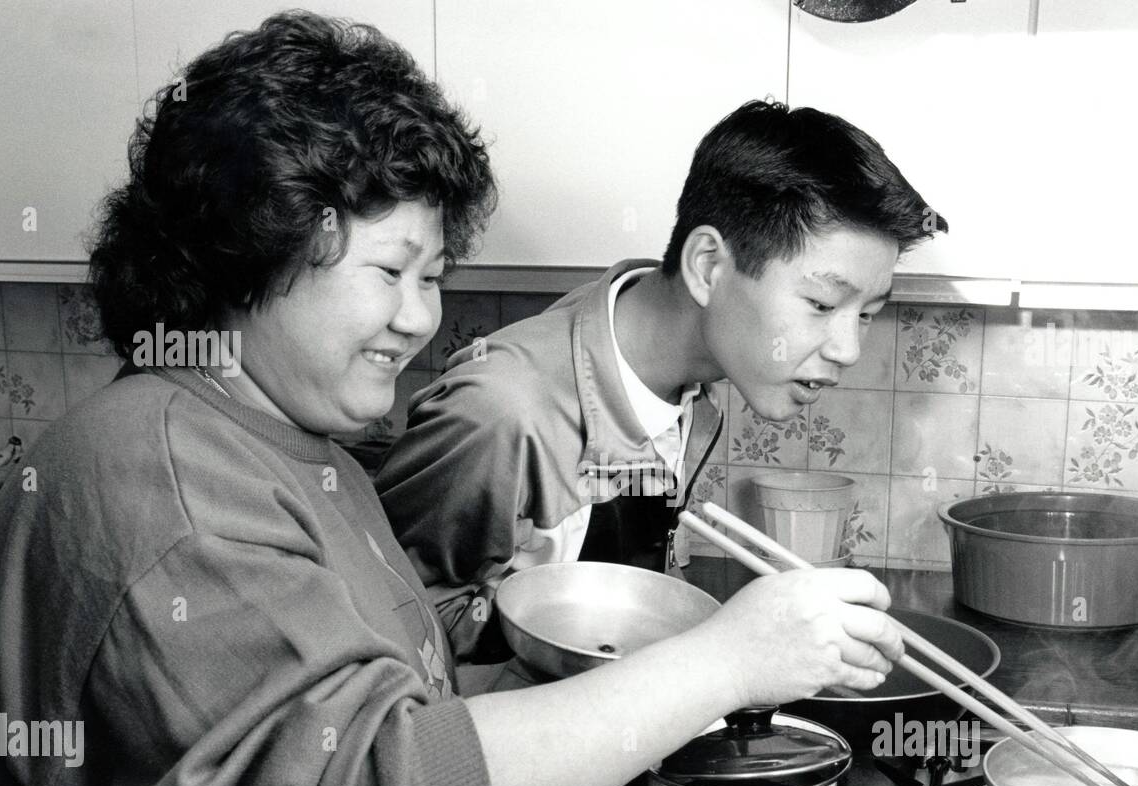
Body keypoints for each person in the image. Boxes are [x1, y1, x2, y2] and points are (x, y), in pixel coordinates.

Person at [0, 11, 901, 786]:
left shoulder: (305, 445)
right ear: (253, 248)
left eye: (436, 274)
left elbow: (400, 695)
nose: (423, 320)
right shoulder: (157, 477)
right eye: (391, 272)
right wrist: (721, 662)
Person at [376, 100, 947, 661]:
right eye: (822, 303)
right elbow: (392, 620)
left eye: (867, 313)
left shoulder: (697, 396)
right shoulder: (503, 411)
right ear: (707, 267)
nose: (848, 349)